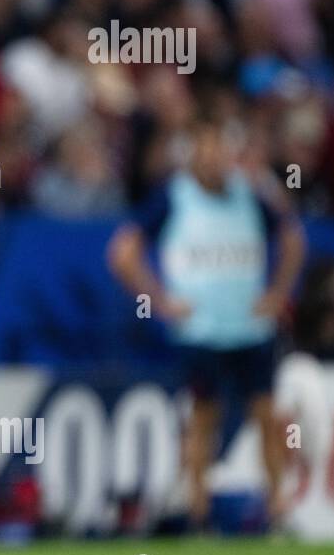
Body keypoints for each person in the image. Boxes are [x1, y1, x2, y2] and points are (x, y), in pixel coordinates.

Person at [108, 116, 305, 526]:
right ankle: (199, 513)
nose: (216, 159)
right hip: (202, 330)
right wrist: (158, 300)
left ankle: (277, 509)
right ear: (193, 154)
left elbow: (292, 238)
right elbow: (123, 251)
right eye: (208, 149)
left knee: (267, 417)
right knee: (203, 420)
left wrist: (278, 294)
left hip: (250, 327)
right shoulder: (173, 197)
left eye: (222, 150)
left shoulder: (251, 194)